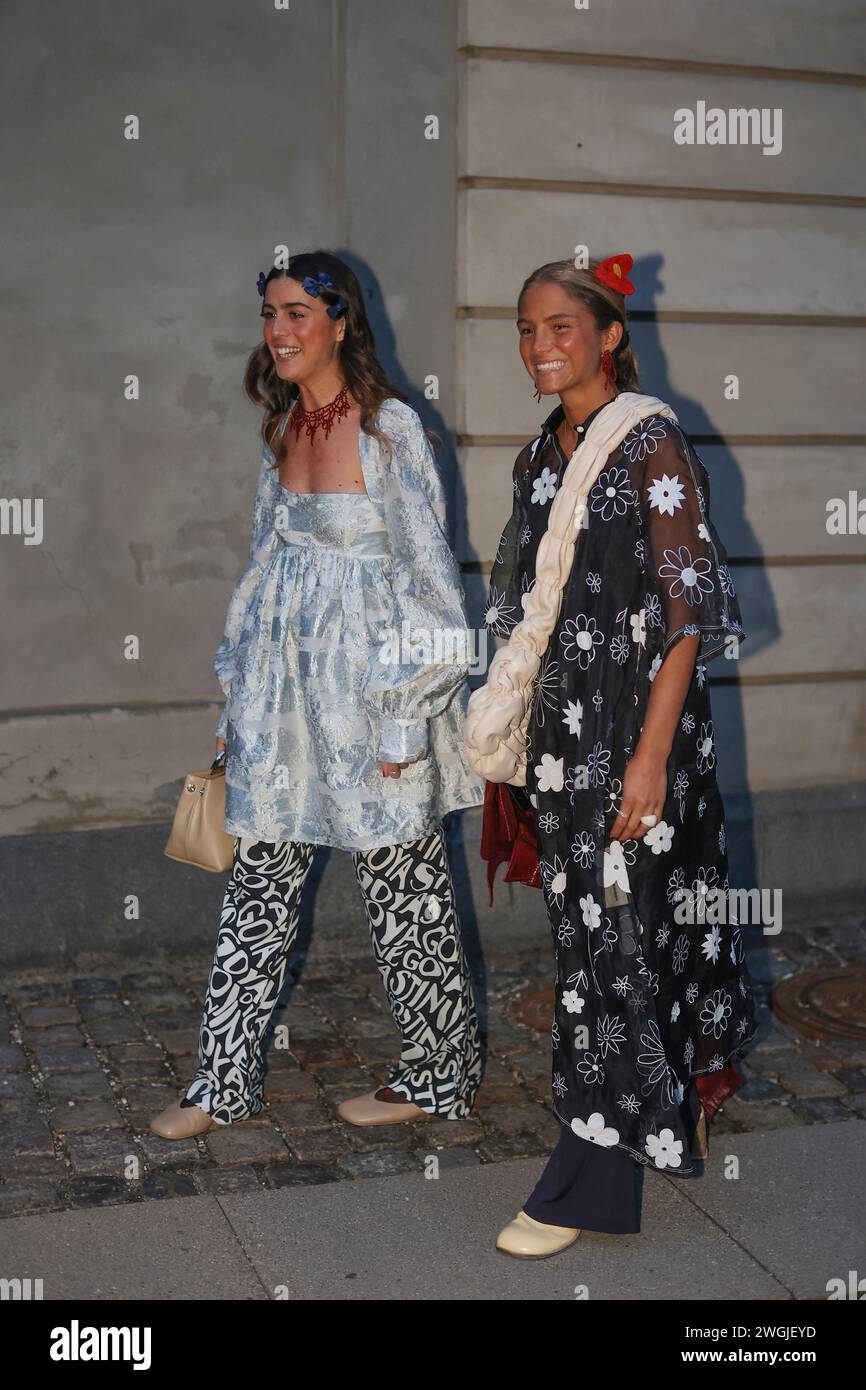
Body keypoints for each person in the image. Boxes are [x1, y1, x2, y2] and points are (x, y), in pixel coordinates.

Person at [151, 251, 485, 1140]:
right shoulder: (281, 429)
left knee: (406, 894)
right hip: (284, 704)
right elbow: (264, 574)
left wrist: (404, 719)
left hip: (376, 706)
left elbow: (431, 588)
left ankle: (438, 1072)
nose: (280, 330)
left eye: (299, 312)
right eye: (270, 314)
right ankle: (221, 1080)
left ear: (341, 322)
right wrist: (236, 709)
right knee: (259, 884)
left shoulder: (392, 432)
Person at [469, 255, 757, 1257]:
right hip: (561, 747)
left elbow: (685, 615)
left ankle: (588, 1180)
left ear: (604, 335)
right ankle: (664, 1099)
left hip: (638, 744)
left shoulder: (650, 441)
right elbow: (524, 606)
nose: (538, 346)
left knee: (613, 947)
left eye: (558, 326)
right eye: (523, 328)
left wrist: (644, 759)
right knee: (590, 941)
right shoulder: (540, 452)